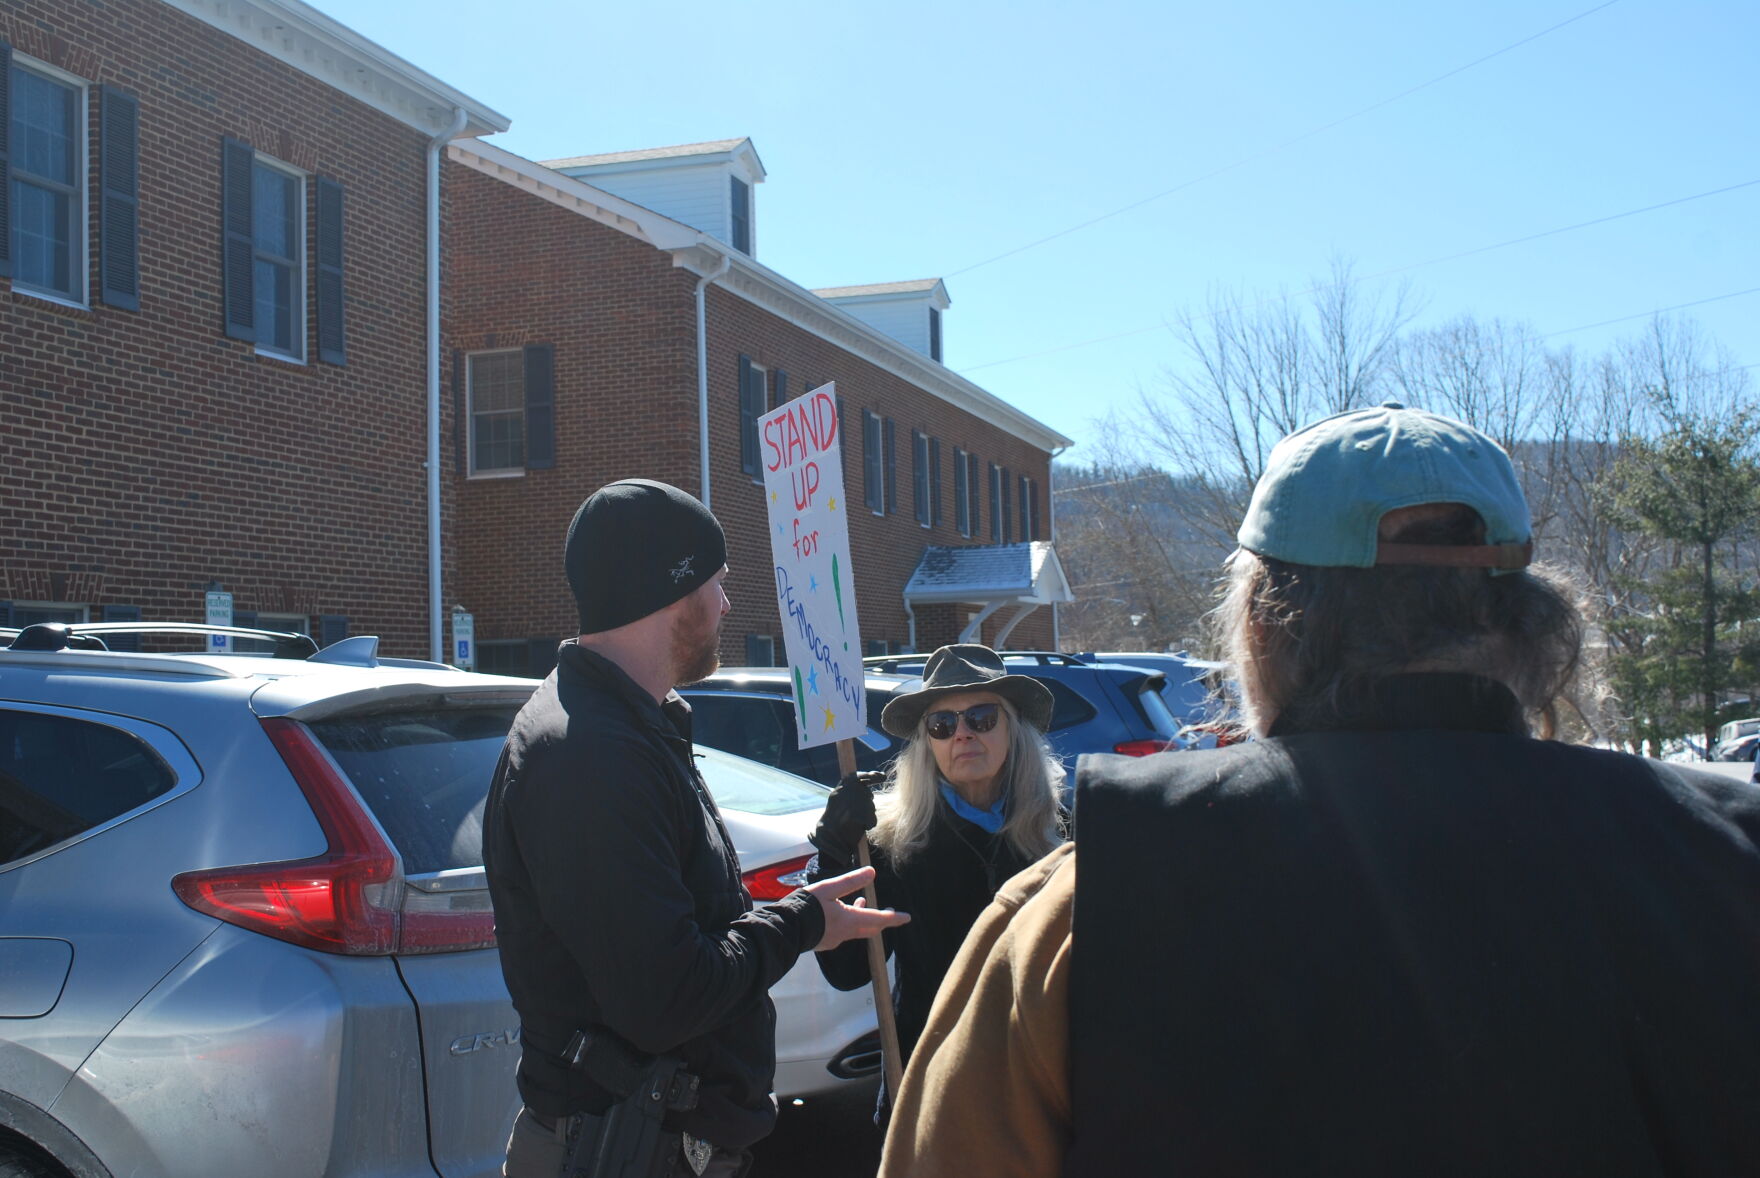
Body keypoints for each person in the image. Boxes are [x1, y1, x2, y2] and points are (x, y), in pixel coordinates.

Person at [879, 404, 1760, 1176]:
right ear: (1530, 626)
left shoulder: (1080, 910)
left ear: (1262, 627)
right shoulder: (1729, 852)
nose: (964, 737)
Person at [483, 479, 908, 1178]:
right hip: (620, 1153)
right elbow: (668, 998)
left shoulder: (628, 729)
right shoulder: (591, 755)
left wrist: (812, 899)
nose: (727, 603)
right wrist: (800, 924)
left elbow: (689, 929)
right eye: (717, 581)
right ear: (672, 592)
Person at [807, 643, 1065, 1119]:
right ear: (928, 743)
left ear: (1013, 728)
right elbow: (848, 973)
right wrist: (833, 856)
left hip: (1040, 1086)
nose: (962, 735)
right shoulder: (892, 843)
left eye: (982, 718)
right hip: (931, 1092)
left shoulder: (1061, 833)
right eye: (942, 725)